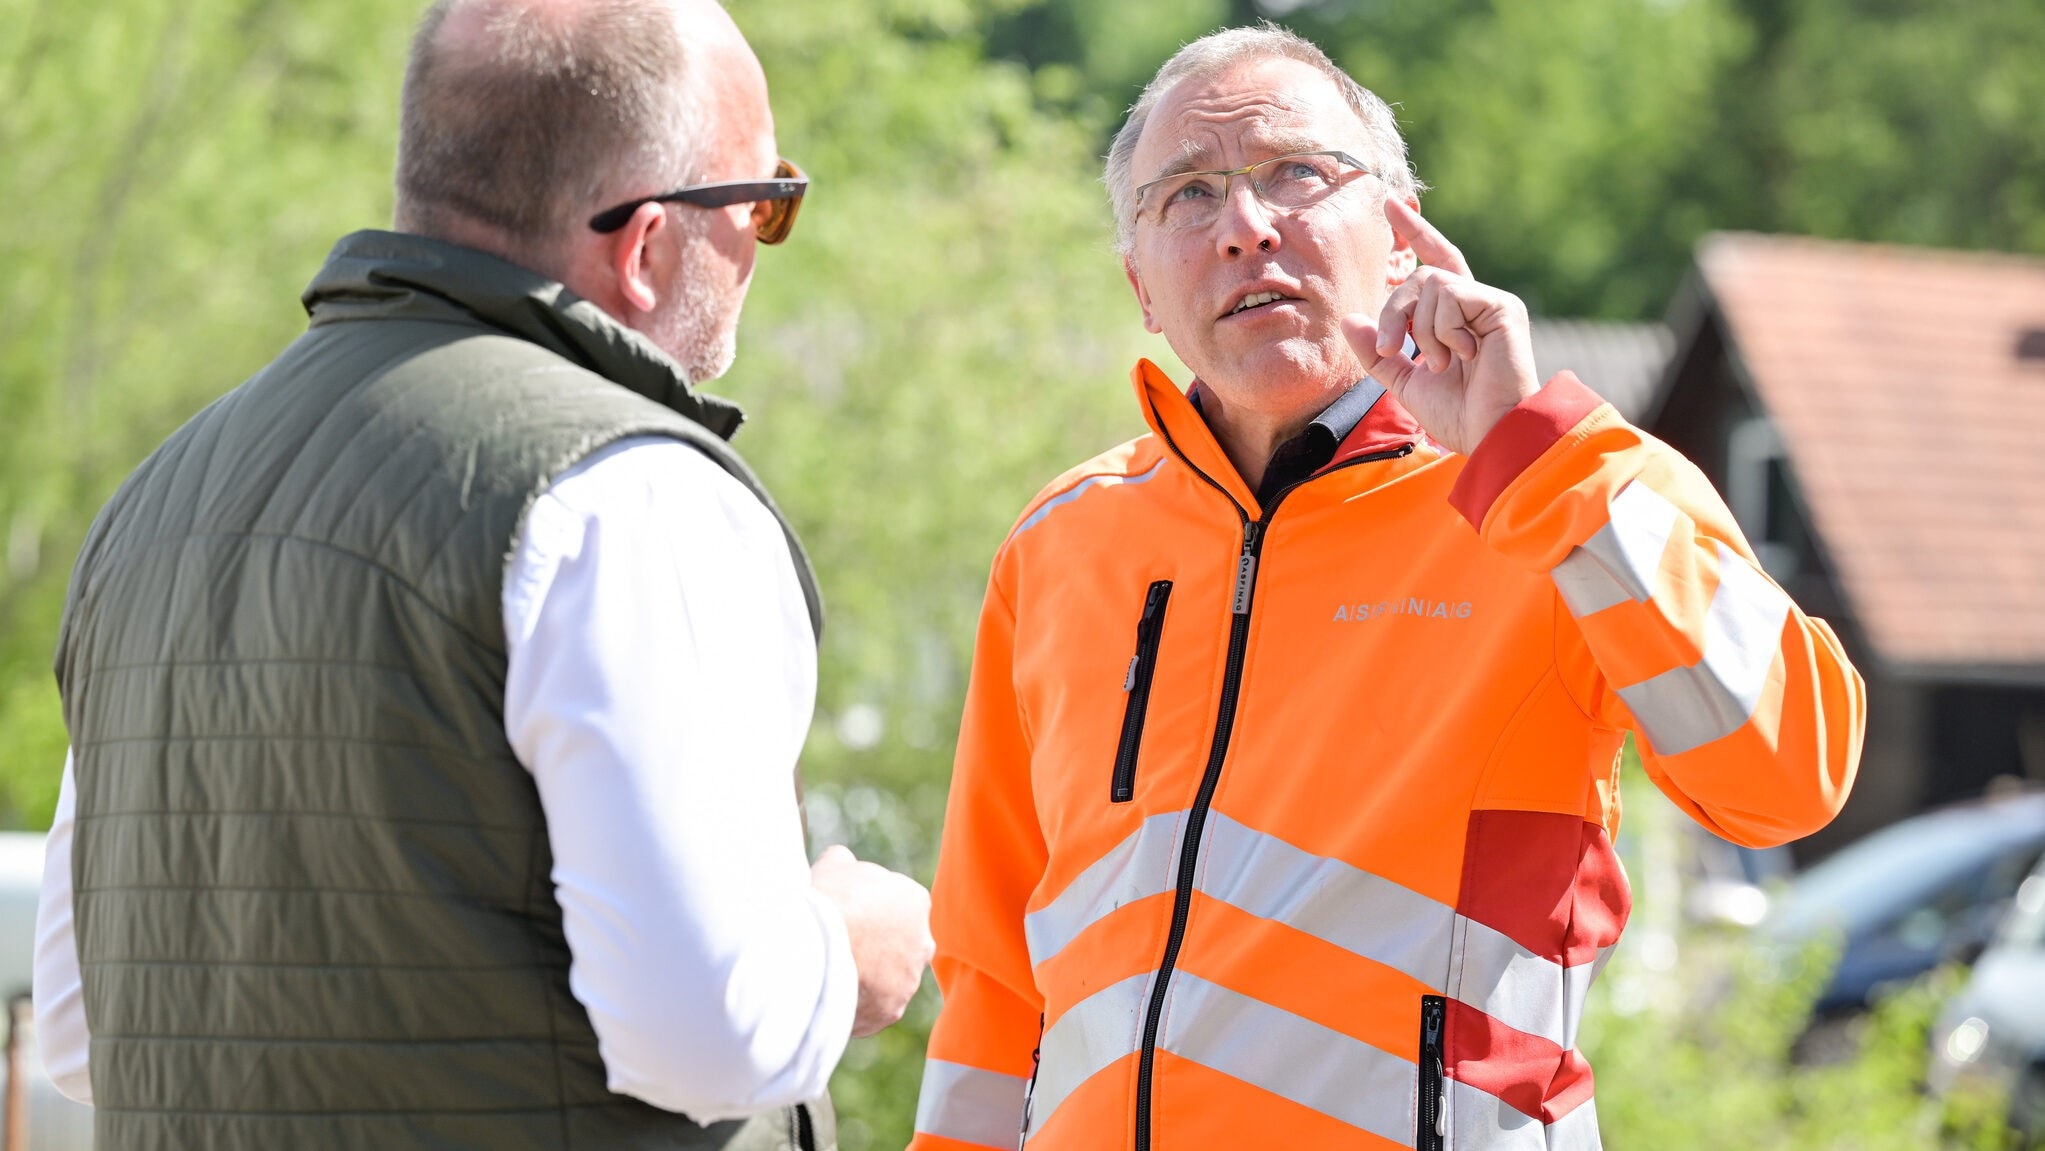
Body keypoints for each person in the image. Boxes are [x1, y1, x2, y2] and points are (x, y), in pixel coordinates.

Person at [909, 25, 1863, 1151]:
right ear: (1142, 288)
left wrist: (1536, 462)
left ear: (1401, 241)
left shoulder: (1561, 489)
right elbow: (989, 977)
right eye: (1188, 195)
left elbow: (1785, 777)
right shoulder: (1059, 542)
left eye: (1294, 175)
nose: (1245, 227)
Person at [32, 0, 932, 1147]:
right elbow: (712, 1031)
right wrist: (845, 945)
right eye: (764, 204)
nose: (760, 243)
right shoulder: (627, 493)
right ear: (647, 245)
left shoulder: (153, 504)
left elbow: (81, 1025)